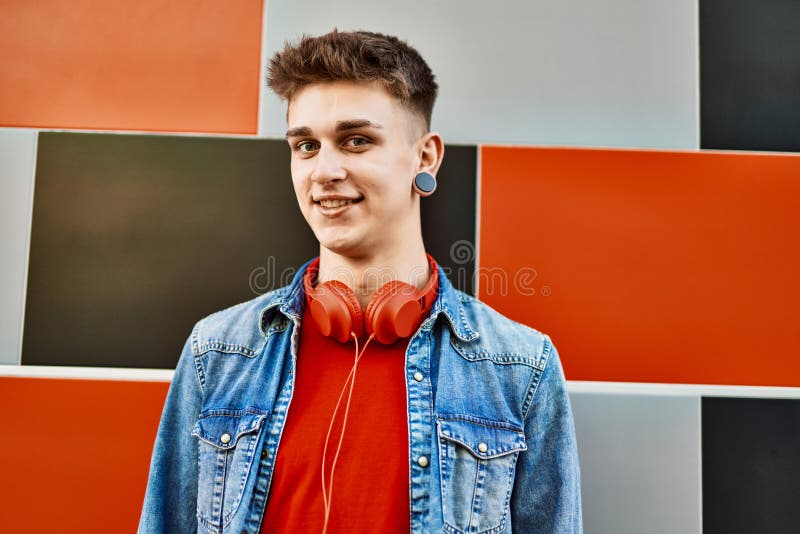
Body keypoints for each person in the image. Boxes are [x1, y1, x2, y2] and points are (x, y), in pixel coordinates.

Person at [139, 29, 582, 534]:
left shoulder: (520, 367)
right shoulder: (218, 352)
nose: (324, 171)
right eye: (306, 145)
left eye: (356, 140)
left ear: (425, 157)